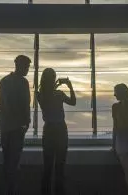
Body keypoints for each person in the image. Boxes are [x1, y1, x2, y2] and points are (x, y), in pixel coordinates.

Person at [36, 67, 75, 195]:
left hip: (48, 130)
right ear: (53, 79)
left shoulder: (39, 95)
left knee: (47, 167)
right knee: (60, 167)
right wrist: (70, 86)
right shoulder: (59, 94)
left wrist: (56, 84)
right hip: (60, 130)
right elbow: (73, 102)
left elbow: (47, 95)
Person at [0, 54, 31, 195]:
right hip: (17, 128)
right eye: (27, 67)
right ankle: (11, 189)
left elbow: (3, 103)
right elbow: (26, 104)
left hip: (7, 126)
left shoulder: (5, 81)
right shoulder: (23, 83)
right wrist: (25, 122)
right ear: (20, 65)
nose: (28, 70)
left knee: (8, 162)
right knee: (14, 162)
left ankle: (8, 189)